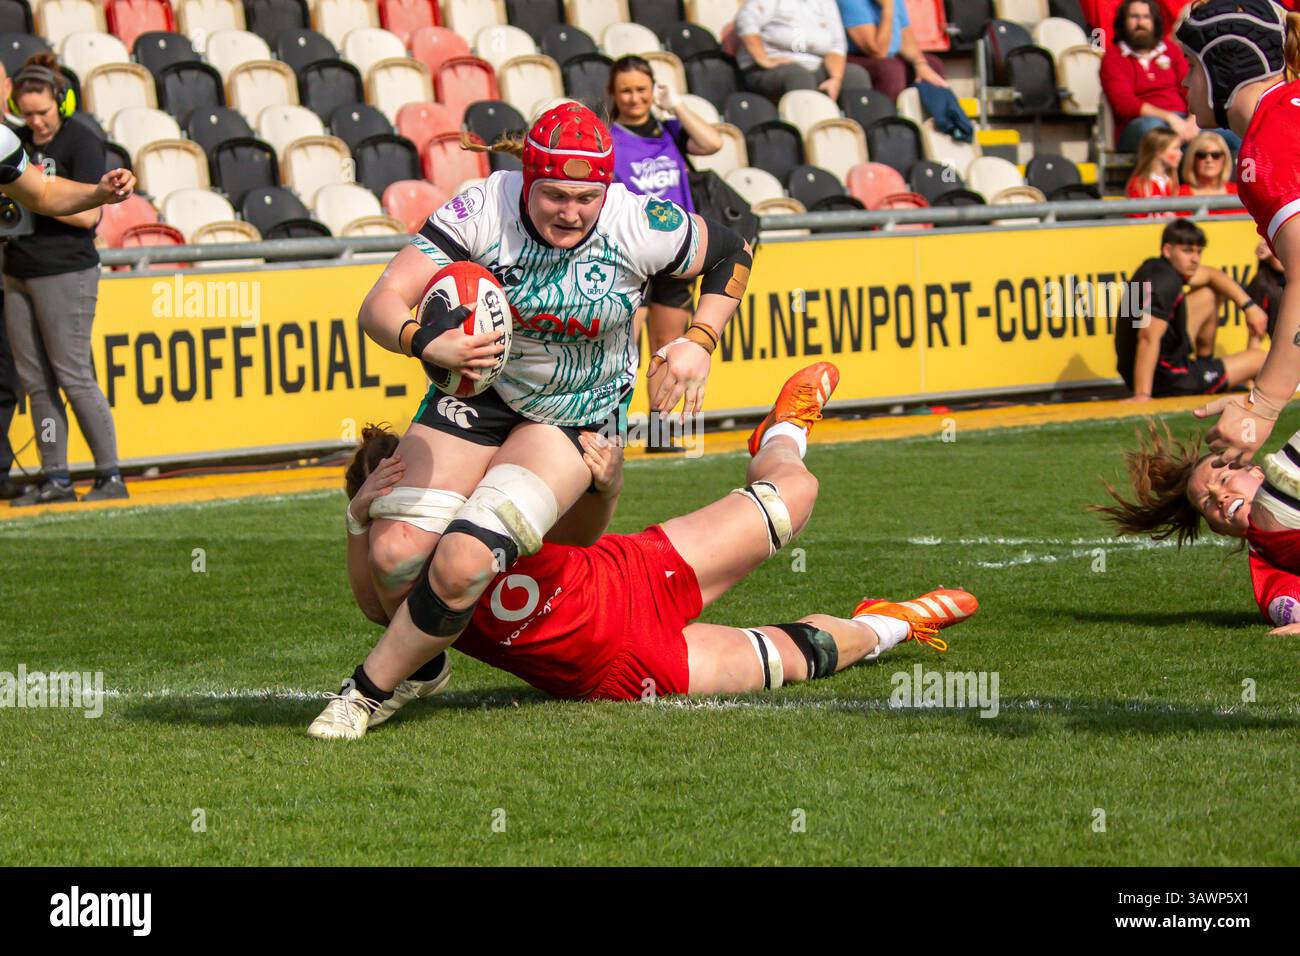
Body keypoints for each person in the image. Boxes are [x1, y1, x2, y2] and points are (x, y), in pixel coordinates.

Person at [341, 103, 754, 720]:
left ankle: (363, 694)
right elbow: (380, 302)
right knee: (394, 556)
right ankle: (422, 667)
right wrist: (422, 340)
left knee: (470, 553)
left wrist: (701, 338)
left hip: (576, 411)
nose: (571, 212)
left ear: (607, 188)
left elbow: (734, 250)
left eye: (586, 197)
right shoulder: (485, 207)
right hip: (481, 393)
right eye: (554, 195)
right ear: (527, 181)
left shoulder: (638, 220)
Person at [309, 362, 981, 737]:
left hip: (633, 572)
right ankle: (895, 623)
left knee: (793, 498)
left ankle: (781, 436)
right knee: (810, 654)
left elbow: (577, 534)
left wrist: (607, 485)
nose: (412, 507)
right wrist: (358, 519)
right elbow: (376, 608)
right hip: (622, 671)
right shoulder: (398, 573)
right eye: (391, 500)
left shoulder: (495, 494)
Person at [3, 54, 137, 507]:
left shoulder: (81, 141)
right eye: (27, 114)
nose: (36, 122)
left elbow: (87, 218)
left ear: (61, 104)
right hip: (18, 268)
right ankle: (55, 476)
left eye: (42, 112)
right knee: (36, 382)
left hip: (64, 269)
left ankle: (109, 472)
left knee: (73, 374)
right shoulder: (17, 141)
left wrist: (40, 198)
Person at [1179, 0, 1300, 466]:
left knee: (1276, 504)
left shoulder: (1267, 147)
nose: (1184, 82)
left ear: (1225, 65)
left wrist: (1262, 405)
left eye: (1192, 65)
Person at [607, 55, 722, 453]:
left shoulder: (670, 131)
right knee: (621, 348)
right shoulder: (609, 139)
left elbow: (713, 143)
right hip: (630, 255)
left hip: (675, 255)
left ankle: (658, 434)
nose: (634, 98)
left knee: (666, 346)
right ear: (613, 94)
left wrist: (676, 107)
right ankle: (608, 431)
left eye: (641, 89)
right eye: (625, 91)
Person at [1092, 418, 1300, 635]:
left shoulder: (1289, 469)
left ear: (1258, 473)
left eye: (1224, 479)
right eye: (1207, 502)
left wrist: (1264, 406)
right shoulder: (1269, 571)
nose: (1219, 496)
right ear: (1218, 529)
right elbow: (1290, 606)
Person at [1116, 219, 1268, 400]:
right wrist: (1142, 395)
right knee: (1260, 359)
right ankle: (1202, 378)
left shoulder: (1153, 268)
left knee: (1209, 294)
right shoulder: (1166, 283)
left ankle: (1205, 365)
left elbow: (1212, 275)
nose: (1195, 259)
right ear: (1167, 250)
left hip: (1137, 368)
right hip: (1167, 379)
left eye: (1199, 252)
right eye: (1187, 251)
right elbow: (1148, 337)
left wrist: (1249, 307)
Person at [1101, 0, 1197, 152]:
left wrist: (1193, 121)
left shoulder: (1172, 50)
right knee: (1155, 130)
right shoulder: (1113, 57)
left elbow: (1192, 88)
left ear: (1154, 21)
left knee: (1225, 135)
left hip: (1183, 120)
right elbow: (1124, 104)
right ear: (1123, 21)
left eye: (1146, 17)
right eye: (1134, 17)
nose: (1140, 23)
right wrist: (1169, 117)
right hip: (1139, 124)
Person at [735, 0, 872, 101]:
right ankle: (809, 127)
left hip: (814, 66)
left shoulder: (826, 3)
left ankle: (857, 129)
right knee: (798, 75)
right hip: (768, 69)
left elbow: (837, 45)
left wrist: (836, 78)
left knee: (855, 75)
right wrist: (763, 58)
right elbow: (745, 19)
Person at [838, 0, 948, 102]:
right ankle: (885, 115)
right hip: (856, 57)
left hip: (887, 55)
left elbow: (906, 39)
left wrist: (920, 64)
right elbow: (877, 51)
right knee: (891, 70)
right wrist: (888, 8)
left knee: (933, 64)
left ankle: (937, 115)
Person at [1176, 130, 1239, 213]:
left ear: (1224, 159)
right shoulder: (1178, 194)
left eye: (1216, 155)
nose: (1209, 160)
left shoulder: (1239, 193)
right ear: (1192, 159)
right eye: (1201, 155)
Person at [1125, 127, 1183, 214]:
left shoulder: (1172, 182)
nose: (1181, 153)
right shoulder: (1139, 184)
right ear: (1159, 152)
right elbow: (1136, 215)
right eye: (1175, 148)